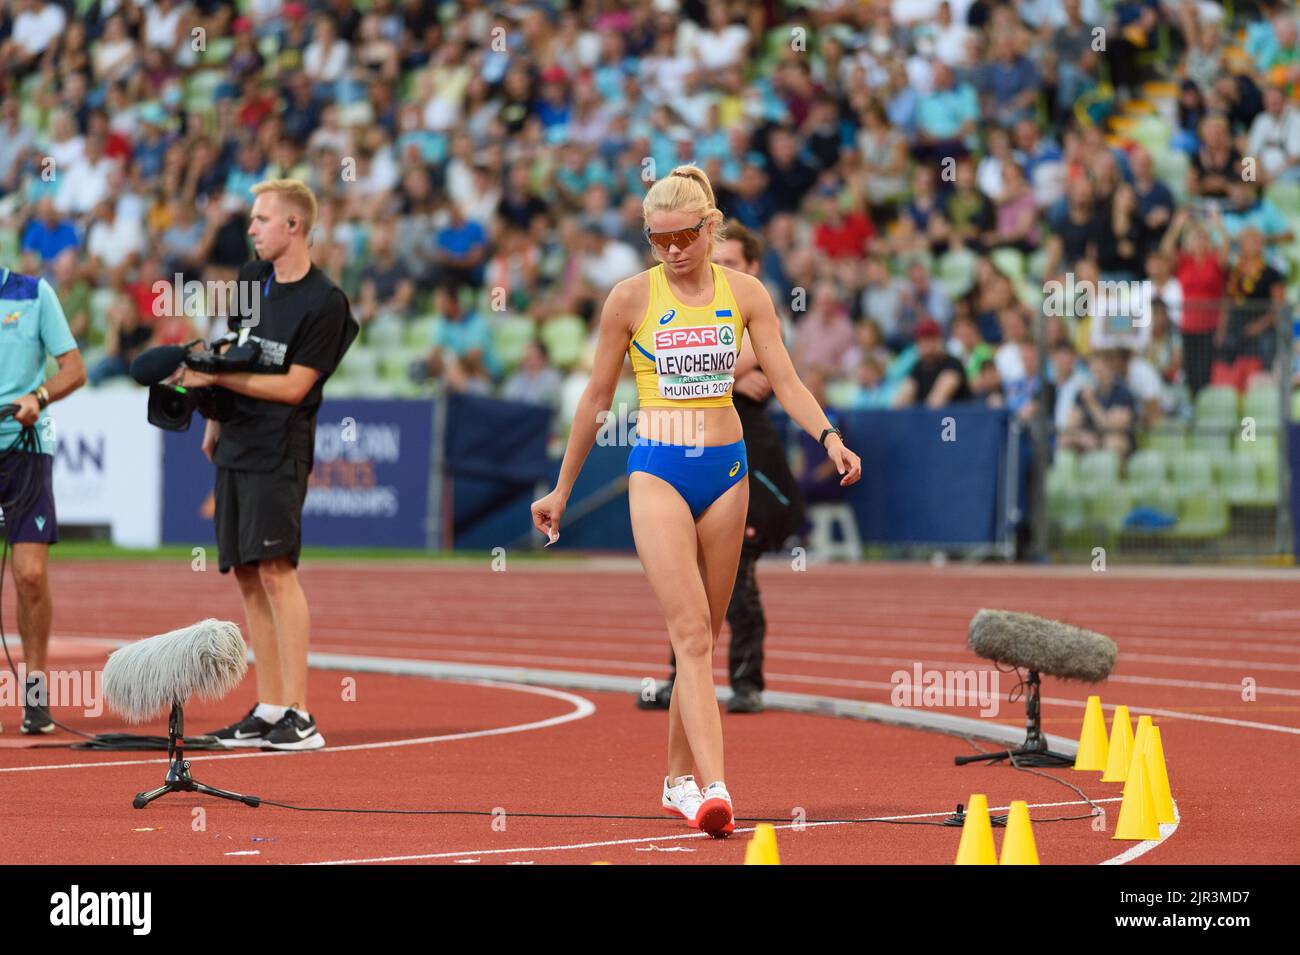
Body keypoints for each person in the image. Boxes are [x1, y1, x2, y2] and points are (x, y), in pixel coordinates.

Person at [530, 166, 861, 838]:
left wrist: (828, 436)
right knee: (688, 634)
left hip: (727, 469)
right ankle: (714, 787)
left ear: (710, 228)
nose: (673, 249)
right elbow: (596, 400)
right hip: (657, 468)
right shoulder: (628, 298)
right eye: (659, 240)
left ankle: (676, 778)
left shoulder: (745, 293)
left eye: (684, 235)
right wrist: (562, 488)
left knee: (705, 637)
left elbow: (787, 379)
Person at [179, 180, 358, 751]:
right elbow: (232, 345)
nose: (251, 229)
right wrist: (213, 415)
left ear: (293, 226)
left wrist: (216, 378)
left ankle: (300, 715)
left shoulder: (326, 302)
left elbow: (295, 386)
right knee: (249, 573)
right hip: (235, 437)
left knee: (278, 571)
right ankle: (271, 703)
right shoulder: (251, 281)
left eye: (260, 219)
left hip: (281, 445)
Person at [635, 219, 807, 716]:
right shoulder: (698, 307)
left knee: (739, 580)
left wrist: (723, 374)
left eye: (732, 263)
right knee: (685, 578)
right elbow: (710, 368)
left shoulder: (752, 306)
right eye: (720, 263)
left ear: (752, 268)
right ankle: (681, 680)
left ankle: (747, 681)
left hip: (752, 463)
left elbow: (723, 366)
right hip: (696, 451)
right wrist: (730, 376)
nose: (721, 271)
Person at [0, 266, 87, 733]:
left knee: (30, 574)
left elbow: (74, 369)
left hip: (25, 446)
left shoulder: (34, 293)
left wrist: (39, 395)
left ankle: (35, 693)